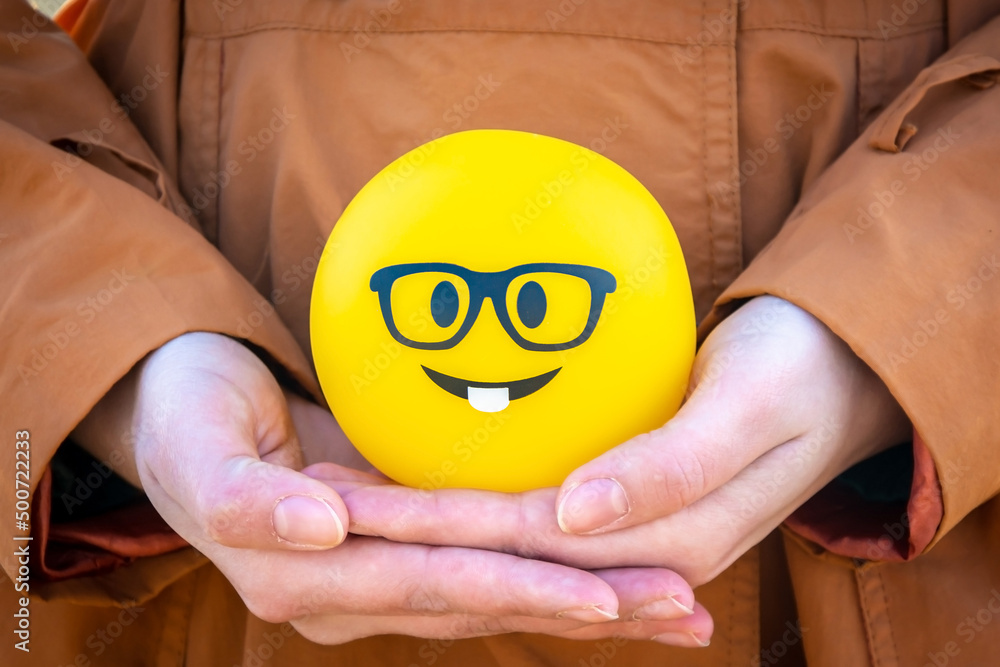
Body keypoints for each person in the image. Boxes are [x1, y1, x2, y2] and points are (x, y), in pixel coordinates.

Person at [2, 0, 999, 664]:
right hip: (198, 578)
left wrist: (893, 325)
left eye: (532, 305)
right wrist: (117, 348)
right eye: (439, 302)